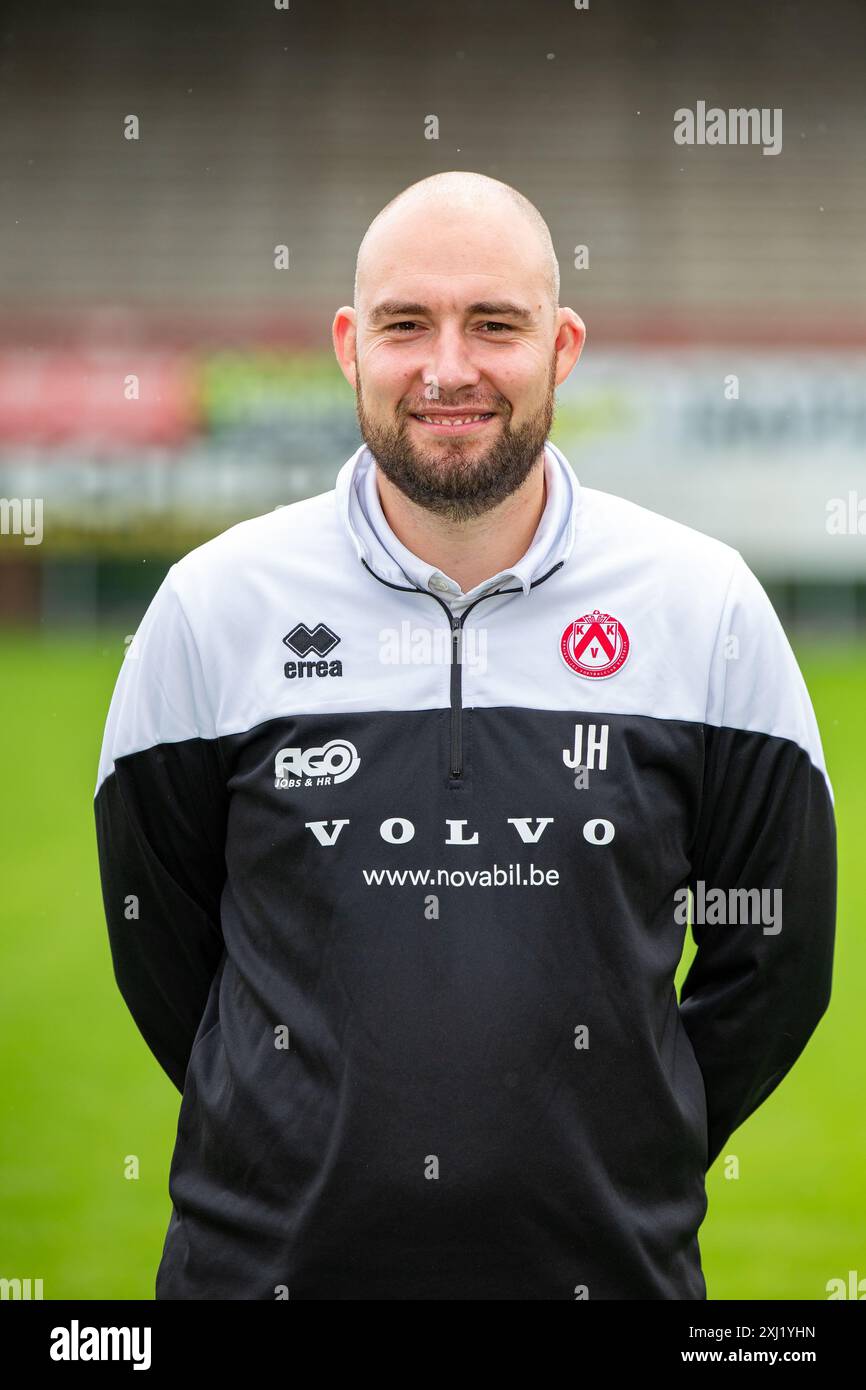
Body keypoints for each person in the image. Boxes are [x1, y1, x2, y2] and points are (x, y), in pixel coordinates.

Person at [94, 171, 837, 1300]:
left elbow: (774, 956)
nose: (448, 367)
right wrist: (292, 1117)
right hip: (261, 1274)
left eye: (494, 322)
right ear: (349, 344)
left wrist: (619, 1128)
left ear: (562, 345)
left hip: (604, 1271)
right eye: (405, 324)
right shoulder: (214, 605)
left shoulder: (706, 606)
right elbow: (163, 944)